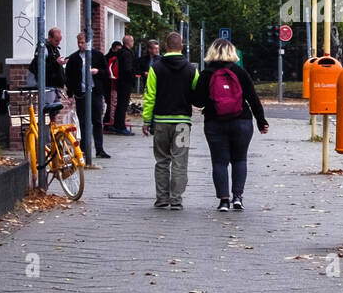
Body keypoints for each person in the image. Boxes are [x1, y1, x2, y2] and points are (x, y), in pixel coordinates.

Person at [193, 38, 268, 211]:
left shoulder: (207, 74)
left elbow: (197, 101)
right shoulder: (240, 72)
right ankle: (238, 198)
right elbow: (253, 99)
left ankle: (224, 201)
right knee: (240, 159)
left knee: (219, 162)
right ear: (232, 52)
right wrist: (261, 121)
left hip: (214, 122)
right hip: (242, 121)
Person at [141, 32, 198, 209]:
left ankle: (162, 198)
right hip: (182, 123)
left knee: (162, 161)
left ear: (166, 46)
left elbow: (149, 96)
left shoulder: (155, 68)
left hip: (160, 122)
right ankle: (176, 200)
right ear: (181, 47)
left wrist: (146, 120)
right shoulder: (191, 69)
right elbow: (197, 94)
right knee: (180, 161)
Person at [65, 32, 110, 158]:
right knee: (83, 122)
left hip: (95, 92)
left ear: (88, 42)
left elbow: (106, 73)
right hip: (81, 93)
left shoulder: (98, 56)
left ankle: (99, 149)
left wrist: (98, 71)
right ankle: (84, 148)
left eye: (82, 42)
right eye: (78, 42)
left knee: (97, 121)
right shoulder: (74, 58)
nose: (80, 45)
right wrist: (70, 94)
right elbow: (69, 77)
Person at [28, 27, 65, 111]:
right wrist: (56, 63)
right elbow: (41, 67)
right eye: (56, 40)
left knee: (55, 109)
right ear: (49, 38)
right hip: (48, 85)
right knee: (49, 107)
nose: (58, 43)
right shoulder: (44, 49)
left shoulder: (55, 49)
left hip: (55, 85)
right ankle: (45, 123)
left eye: (59, 41)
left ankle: (52, 123)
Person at [112, 33, 136, 135]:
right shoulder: (127, 53)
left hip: (120, 81)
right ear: (129, 42)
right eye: (132, 41)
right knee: (123, 105)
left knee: (120, 104)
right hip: (125, 82)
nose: (133, 43)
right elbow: (128, 68)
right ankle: (120, 126)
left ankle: (117, 125)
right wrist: (133, 77)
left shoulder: (120, 52)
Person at [103, 41, 121, 129]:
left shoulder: (114, 58)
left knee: (112, 103)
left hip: (112, 84)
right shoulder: (110, 59)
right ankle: (109, 123)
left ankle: (108, 122)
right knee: (111, 103)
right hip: (109, 84)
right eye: (117, 49)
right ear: (113, 49)